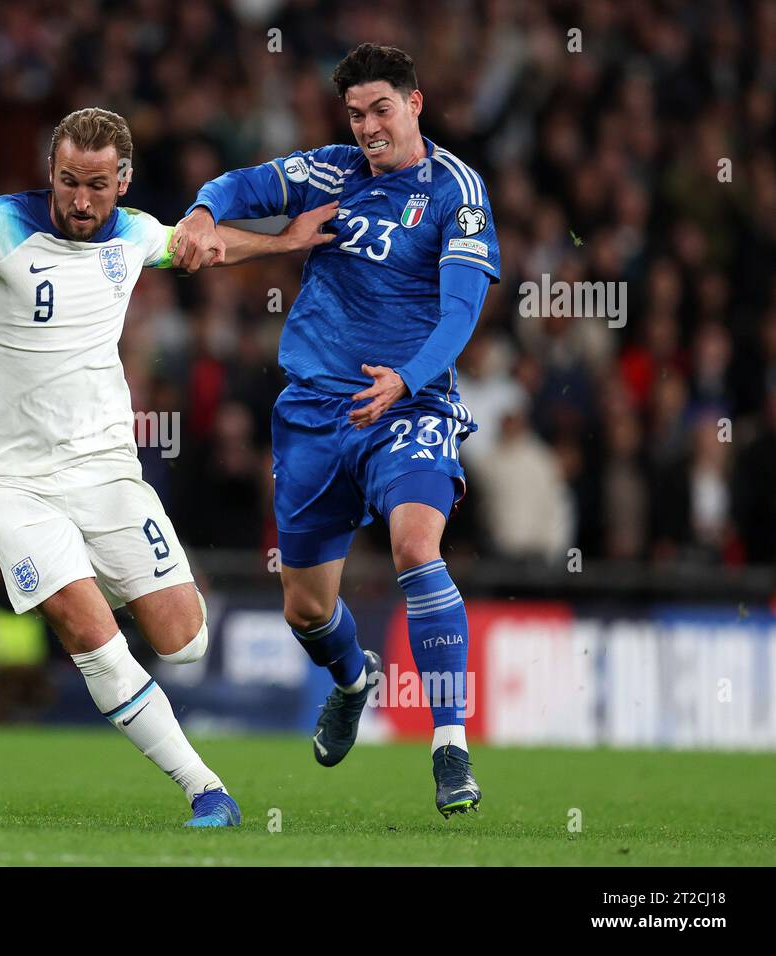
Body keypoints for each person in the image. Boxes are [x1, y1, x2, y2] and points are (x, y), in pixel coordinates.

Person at [0, 107, 334, 827]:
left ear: (121, 181)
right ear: (49, 173)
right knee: (88, 632)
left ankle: (94, 580)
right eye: (67, 182)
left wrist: (288, 239)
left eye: (96, 186)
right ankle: (206, 790)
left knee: (185, 641)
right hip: (11, 481)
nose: (80, 201)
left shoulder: (135, 234)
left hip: (106, 469)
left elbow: (200, 245)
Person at [170, 44, 500, 818]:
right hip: (316, 411)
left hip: (407, 407)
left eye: (381, 109)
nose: (368, 127)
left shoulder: (457, 190)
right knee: (307, 610)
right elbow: (243, 184)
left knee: (418, 545)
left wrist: (407, 381)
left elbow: (460, 310)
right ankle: (355, 681)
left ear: (415, 104)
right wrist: (200, 214)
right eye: (355, 114)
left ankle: (449, 742)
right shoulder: (330, 170)